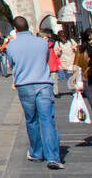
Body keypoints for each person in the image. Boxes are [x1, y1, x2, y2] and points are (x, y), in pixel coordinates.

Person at [7, 16, 62, 169]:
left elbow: (11, 64)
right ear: (29, 26)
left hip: (24, 85)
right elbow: (44, 59)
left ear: (15, 29)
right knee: (48, 120)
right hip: (43, 83)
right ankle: (53, 157)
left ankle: (37, 153)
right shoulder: (41, 43)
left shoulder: (11, 45)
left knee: (31, 120)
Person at [55, 30, 78, 96]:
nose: (63, 38)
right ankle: (74, 91)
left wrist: (74, 48)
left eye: (64, 37)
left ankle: (78, 89)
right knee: (69, 77)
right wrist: (59, 51)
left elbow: (77, 48)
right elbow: (56, 53)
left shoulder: (71, 41)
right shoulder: (57, 43)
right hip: (64, 63)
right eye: (62, 37)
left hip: (73, 61)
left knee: (75, 77)